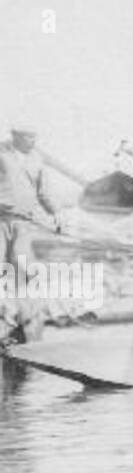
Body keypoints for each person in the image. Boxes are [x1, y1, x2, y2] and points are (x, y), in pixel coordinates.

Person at [0, 123, 58, 345]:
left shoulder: (37, 160)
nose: (33, 141)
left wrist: (56, 215)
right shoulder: (2, 154)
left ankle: (25, 326)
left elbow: (43, 192)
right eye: (28, 137)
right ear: (15, 136)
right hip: (0, 219)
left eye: (35, 136)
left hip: (24, 222)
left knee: (21, 272)